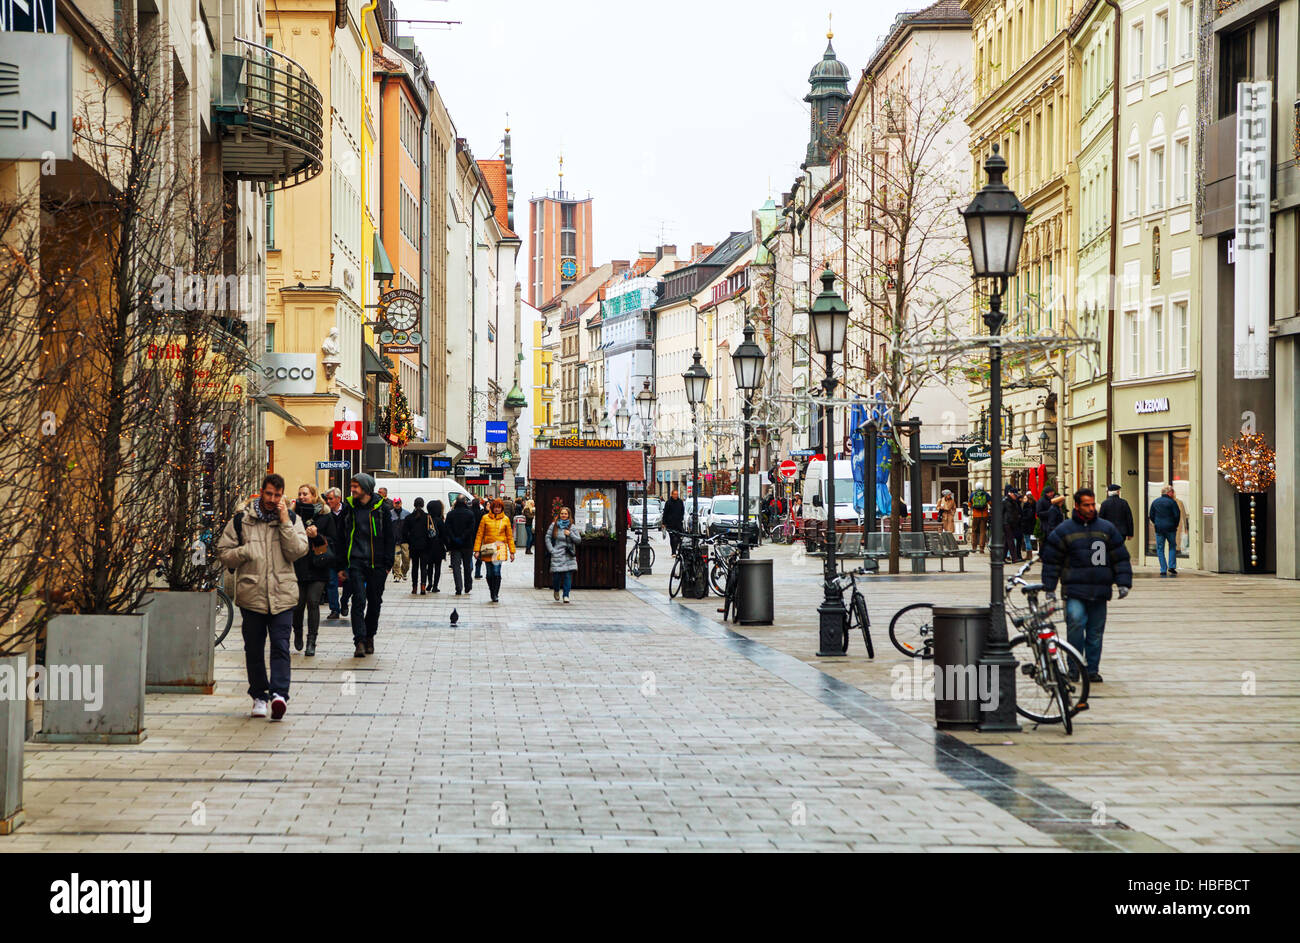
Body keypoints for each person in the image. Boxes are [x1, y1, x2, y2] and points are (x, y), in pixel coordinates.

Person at [217, 473, 308, 720]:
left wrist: (285, 522)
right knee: (254, 649)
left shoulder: (291, 519)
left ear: (283, 496)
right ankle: (259, 696)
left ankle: (279, 695)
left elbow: (298, 551)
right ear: (261, 492)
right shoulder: (242, 520)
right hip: (252, 594)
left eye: (277, 495)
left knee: (280, 646)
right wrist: (245, 552)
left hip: (283, 595)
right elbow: (224, 553)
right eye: (269, 494)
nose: (272, 499)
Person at [1040, 487, 1133, 684]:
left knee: (1095, 633)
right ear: (1077, 506)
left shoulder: (1106, 529)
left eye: (1093, 504)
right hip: (1074, 590)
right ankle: (1074, 668)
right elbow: (1052, 560)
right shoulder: (1065, 530)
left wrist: (1123, 582)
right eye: (1086, 505)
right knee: (1075, 626)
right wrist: (1049, 587)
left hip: (1100, 590)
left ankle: (1091, 670)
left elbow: (1120, 557)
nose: (1091, 508)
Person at [337, 473, 395, 657]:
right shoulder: (349, 508)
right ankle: (359, 641)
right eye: (352, 486)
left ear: (366, 488)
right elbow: (341, 536)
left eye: (356, 486)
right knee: (358, 600)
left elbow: (390, 537)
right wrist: (341, 564)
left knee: (375, 601)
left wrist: (388, 563)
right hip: (356, 561)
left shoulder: (382, 509)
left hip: (377, 563)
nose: (352, 489)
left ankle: (370, 636)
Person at [290, 484, 337, 656]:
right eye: (300, 494)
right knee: (298, 605)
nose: (302, 497)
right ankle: (298, 632)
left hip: (318, 565)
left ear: (314, 495)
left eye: (305, 494)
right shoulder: (293, 516)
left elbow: (333, 541)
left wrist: (317, 536)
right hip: (298, 565)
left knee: (313, 602)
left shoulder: (325, 516)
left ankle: (312, 641)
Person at [472, 498, 516, 603]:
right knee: (489, 573)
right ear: (492, 508)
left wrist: (512, 552)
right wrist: (477, 550)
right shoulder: (485, 518)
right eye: (495, 507)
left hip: (500, 547)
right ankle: (492, 590)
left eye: (499, 507)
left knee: (496, 571)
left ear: (502, 508)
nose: (497, 509)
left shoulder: (505, 519)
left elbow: (509, 537)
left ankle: (495, 593)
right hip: (488, 547)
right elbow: (479, 535)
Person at [546, 506, 582, 603]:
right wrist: (551, 550)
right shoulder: (554, 525)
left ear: (568, 515)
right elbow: (548, 537)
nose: (563, 515)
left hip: (568, 554)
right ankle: (556, 590)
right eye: (562, 513)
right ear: (559, 515)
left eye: (565, 514)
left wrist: (570, 534)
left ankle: (566, 595)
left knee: (567, 575)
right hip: (557, 553)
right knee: (556, 576)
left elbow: (578, 540)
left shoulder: (572, 527)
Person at [444, 495, 478, 595]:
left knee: (456, 566)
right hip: (467, 544)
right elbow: (471, 529)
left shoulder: (450, 514)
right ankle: (468, 585)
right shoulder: (470, 514)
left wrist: (454, 538)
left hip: (455, 545)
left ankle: (458, 587)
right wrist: (463, 537)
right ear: (464, 502)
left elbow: (447, 528)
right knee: (467, 565)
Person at [1149, 484, 1182, 577]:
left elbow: (1151, 515)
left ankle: (1163, 569)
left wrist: (1156, 523)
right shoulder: (1172, 502)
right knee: (1172, 546)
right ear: (1169, 493)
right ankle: (1171, 566)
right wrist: (1175, 525)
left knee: (1160, 548)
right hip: (1170, 528)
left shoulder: (1155, 502)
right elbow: (1177, 515)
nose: (1173, 493)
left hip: (1159, 528)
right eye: (1172, 492)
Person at [322, 488, 345, 619]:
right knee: (331, 582)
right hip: (330, 552)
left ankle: (344, 602)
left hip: (345, 552)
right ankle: (334, 609)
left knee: (348, 581)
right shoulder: (325, 513)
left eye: (330, 499)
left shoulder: (347, 511)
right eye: (327, 499)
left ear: (338, 498)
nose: (328, 501)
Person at [403, 497, 432, 595]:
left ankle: (414, 587)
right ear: (423, 505)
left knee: (414, 567)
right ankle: (423, 587)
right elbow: (431, 532)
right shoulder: (427, 517)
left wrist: (409, 541)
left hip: (413, 546)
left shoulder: (409, 518)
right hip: (425, 546)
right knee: (424, 567)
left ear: (414, 505)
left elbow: (404, 532)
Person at [424, 499, 447, 591]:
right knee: (437, 567)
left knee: (429, 566)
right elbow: (444, 534)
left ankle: (429, 583)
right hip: (438, 546)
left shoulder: (427, 519)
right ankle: (435, 586)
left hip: (428, 546)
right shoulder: (439, 520)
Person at [390, 498, 411, 586]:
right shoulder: (389, 514)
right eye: (396, 503)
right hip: (394, 541)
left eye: (398, 503)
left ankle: (404, 571)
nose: (397, 504)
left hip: (405, 540)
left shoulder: (407, 514)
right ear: (393, 504)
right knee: (396, 559)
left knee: (406, 559)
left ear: (401, 503)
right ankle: (397, 575)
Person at [1002, 487, 1022, 562]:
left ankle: (1002, 558)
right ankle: (1014, 557)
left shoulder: (1013, 501)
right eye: (1015, 495)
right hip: (1006, 523)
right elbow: (1001, 512)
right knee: (1010, 540)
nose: (1016, 497)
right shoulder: (1005, 501)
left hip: (1012, 523)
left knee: (1007, 541)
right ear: (1011, 493)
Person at [662, 489, 685, 554]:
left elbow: (682, 511)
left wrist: (681, 519)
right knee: (672, 538)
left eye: (677, 494)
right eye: (674, 494)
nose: (675, 496)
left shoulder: (680, 502)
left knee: (678, 538)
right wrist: (664, 523)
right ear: (671, 495)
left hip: (678, 524)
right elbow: (665, 513)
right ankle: (673, 552)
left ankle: (678, 548)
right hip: (670, 524)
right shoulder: (668, 502)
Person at [969, 485, 990, 552]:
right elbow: (991, 503)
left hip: (975, 515)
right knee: (982, 531)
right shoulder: (986, 494)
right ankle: (981, 548)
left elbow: (969, 504)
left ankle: (974, 547)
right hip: (984, 515)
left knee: (974, 531)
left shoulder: (973, 494)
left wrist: (974, 507)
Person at [472, 497, 488, 580]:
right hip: (479, 536)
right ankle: (477, 573)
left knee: (470, 554)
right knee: (480, 556)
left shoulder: (470, 512)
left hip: (470, 536)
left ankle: (470, 567)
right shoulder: (481, 513)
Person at [1020, 491, 1038, 560]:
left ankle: (1029, 555)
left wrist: (1022, 518)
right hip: (1031, 524)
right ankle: (1029, 554)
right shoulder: (1034, 504)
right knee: (1028, 539)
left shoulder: (1027, 505)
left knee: (1027, 539)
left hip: (1026, 525)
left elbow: (1027, 515)